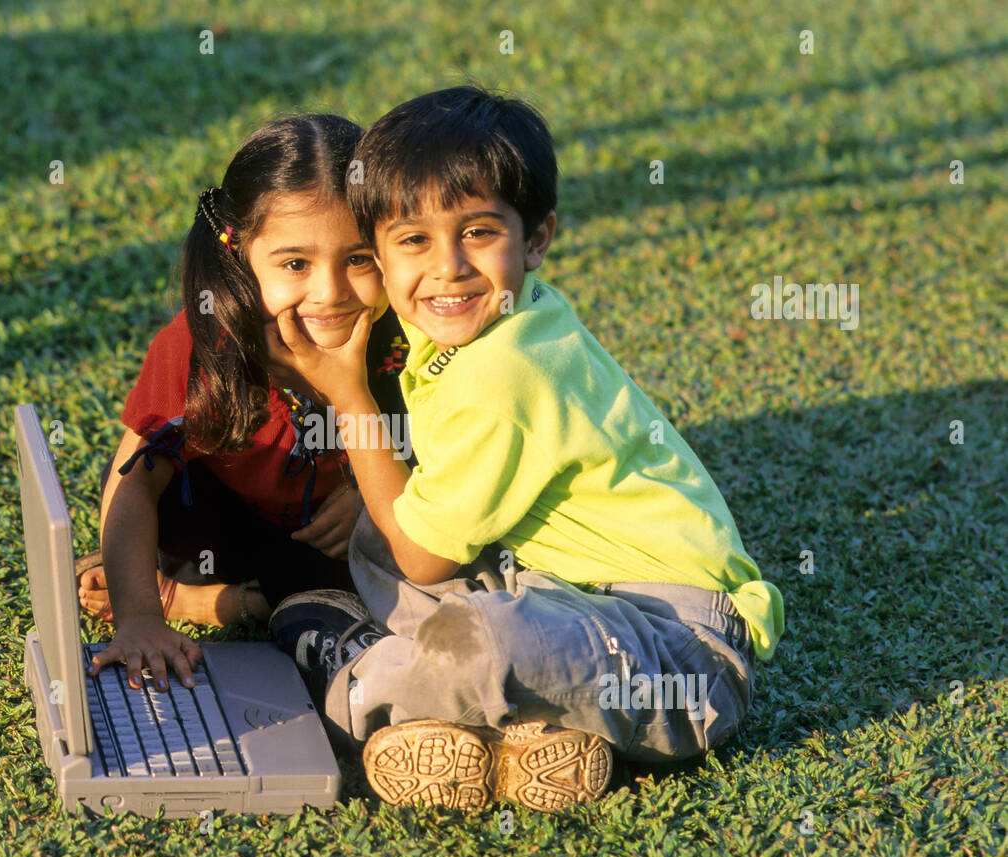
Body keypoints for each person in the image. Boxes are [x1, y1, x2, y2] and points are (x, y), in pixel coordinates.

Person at [267, 86, 785, 813]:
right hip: (560, 593)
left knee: (489, 635)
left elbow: (425, 560)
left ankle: (355, 673)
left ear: (536, 238)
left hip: (680, 653)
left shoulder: (504, 371)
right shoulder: (487, 319)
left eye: (478, 233)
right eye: (413, 240)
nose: (447, 267)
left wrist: (348, 397)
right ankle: (537, 737)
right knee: (386, 531)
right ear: (380, 255)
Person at [84, 114, 410, 694]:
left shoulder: (414, 337)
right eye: (295, 264)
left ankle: (221, 604)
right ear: (237, 252)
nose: (331, 292)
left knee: (371, 589)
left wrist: (369, 499)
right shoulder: (201, 343)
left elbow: (461, 462)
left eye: (359, 259)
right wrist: (138, 619)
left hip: (357, 547)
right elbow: (133, 480)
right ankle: (211, 597)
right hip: (225, 536)